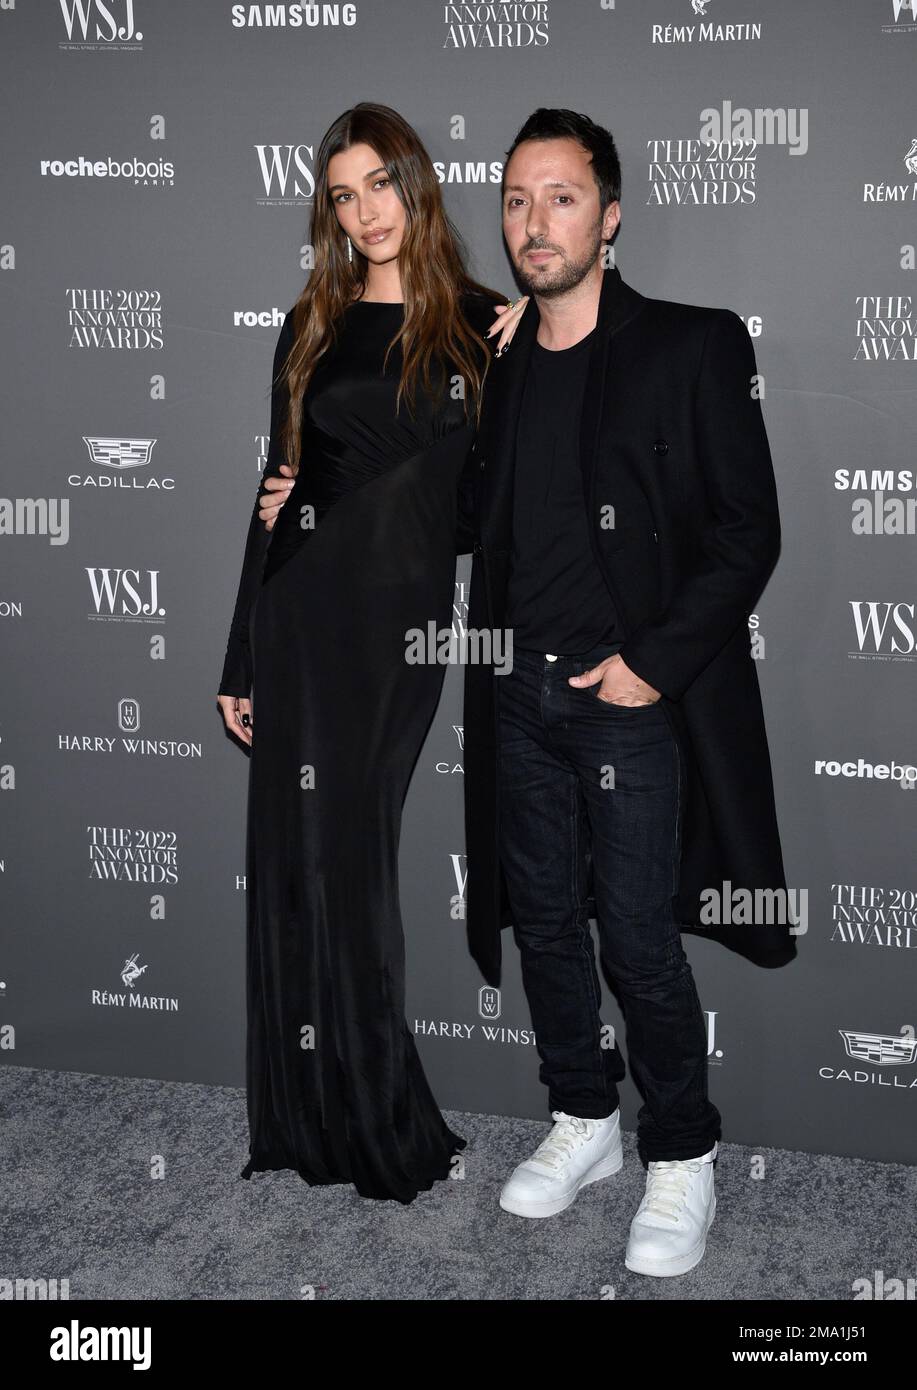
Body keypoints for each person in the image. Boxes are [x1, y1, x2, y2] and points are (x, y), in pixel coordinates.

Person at [260, 107, 794, 1278]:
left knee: (639, 940)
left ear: (608, 217)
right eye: (513, 198)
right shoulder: (486, 362)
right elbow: (440, 515)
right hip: (513, 698)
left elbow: (747, 531)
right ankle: (584, 1117)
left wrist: (649, 665)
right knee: (545, 924)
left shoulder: (691, 345)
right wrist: (311, 505)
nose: (532, 219)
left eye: (559, 197)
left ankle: (681, 1151)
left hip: (631, 701)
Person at [216, 101, 524, 1204]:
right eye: (342, 196)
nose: (363, 211)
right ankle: (313, 1117)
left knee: (354, 862)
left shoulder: (486, 323)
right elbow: (271, 495)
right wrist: (239, 656)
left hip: (395, 627)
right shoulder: (312, 321)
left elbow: (487, 517)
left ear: (414, 183)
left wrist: (510, 377)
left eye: (377, 185)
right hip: (301, 616)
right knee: (304, 867)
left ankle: (379, 1112)